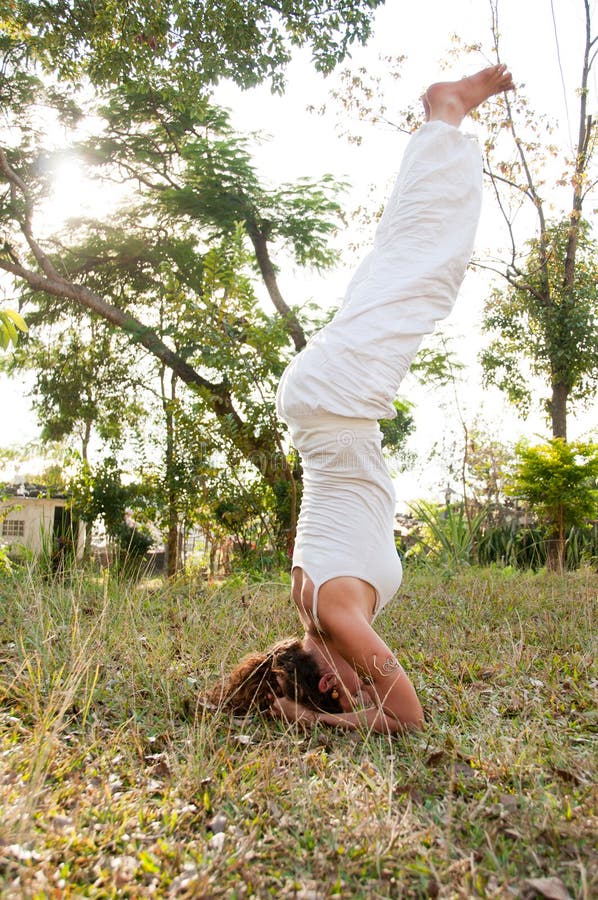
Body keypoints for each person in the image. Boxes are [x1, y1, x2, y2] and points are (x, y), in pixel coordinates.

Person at [215, 65, 515, 734]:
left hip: (336, 400)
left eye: (346, 690)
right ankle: (441, 122)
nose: (361, 684)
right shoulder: (310, 608)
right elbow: (362, 688)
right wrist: (297, 696)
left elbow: (405, 720)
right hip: (324, 403)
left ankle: (444, 114)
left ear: (326, 677)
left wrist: (313, 720)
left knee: (424, 272)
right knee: (405, 269)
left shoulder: (334, 618)